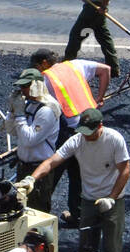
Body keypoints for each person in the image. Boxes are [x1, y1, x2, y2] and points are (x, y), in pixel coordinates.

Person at [20, 108, 129, 252]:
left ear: (100, 126)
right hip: (89, 200)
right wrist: (31, 179)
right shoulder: (77, 141)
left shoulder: (114, 139)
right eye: (83, 131)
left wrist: (112, 198)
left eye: (90, 132)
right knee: (85, 248)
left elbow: (125, 170)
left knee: (112, 250)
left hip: (113, 201)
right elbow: (51, 162)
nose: (86, 136)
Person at [29, 50, 110, 227]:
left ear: (43, 63)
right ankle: (78, 215)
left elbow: (35, 103)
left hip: (69, 129)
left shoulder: (45, 78)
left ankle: (41, 215)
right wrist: (100, 98)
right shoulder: (75, 65)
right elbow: (106, 69)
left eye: (36, 66)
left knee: (53, 171)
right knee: (79, 173)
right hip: (91, 128)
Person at [6, 69, 61, 213]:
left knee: (37, 211)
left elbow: (29, 140)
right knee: (21, 208)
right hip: (23, 166)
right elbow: (11, 131)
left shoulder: (47, 110)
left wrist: (19, 114)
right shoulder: (29, 104)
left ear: (36, 85)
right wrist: (12, 111)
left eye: (25, 86)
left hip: (38, 170)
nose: (22, 90)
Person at [64, 0, 119, 78]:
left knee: (76, 36)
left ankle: (67, 66)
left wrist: (103, 7)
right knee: (104, 37)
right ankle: (113, 68)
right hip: (95, 6)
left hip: (93, 8)